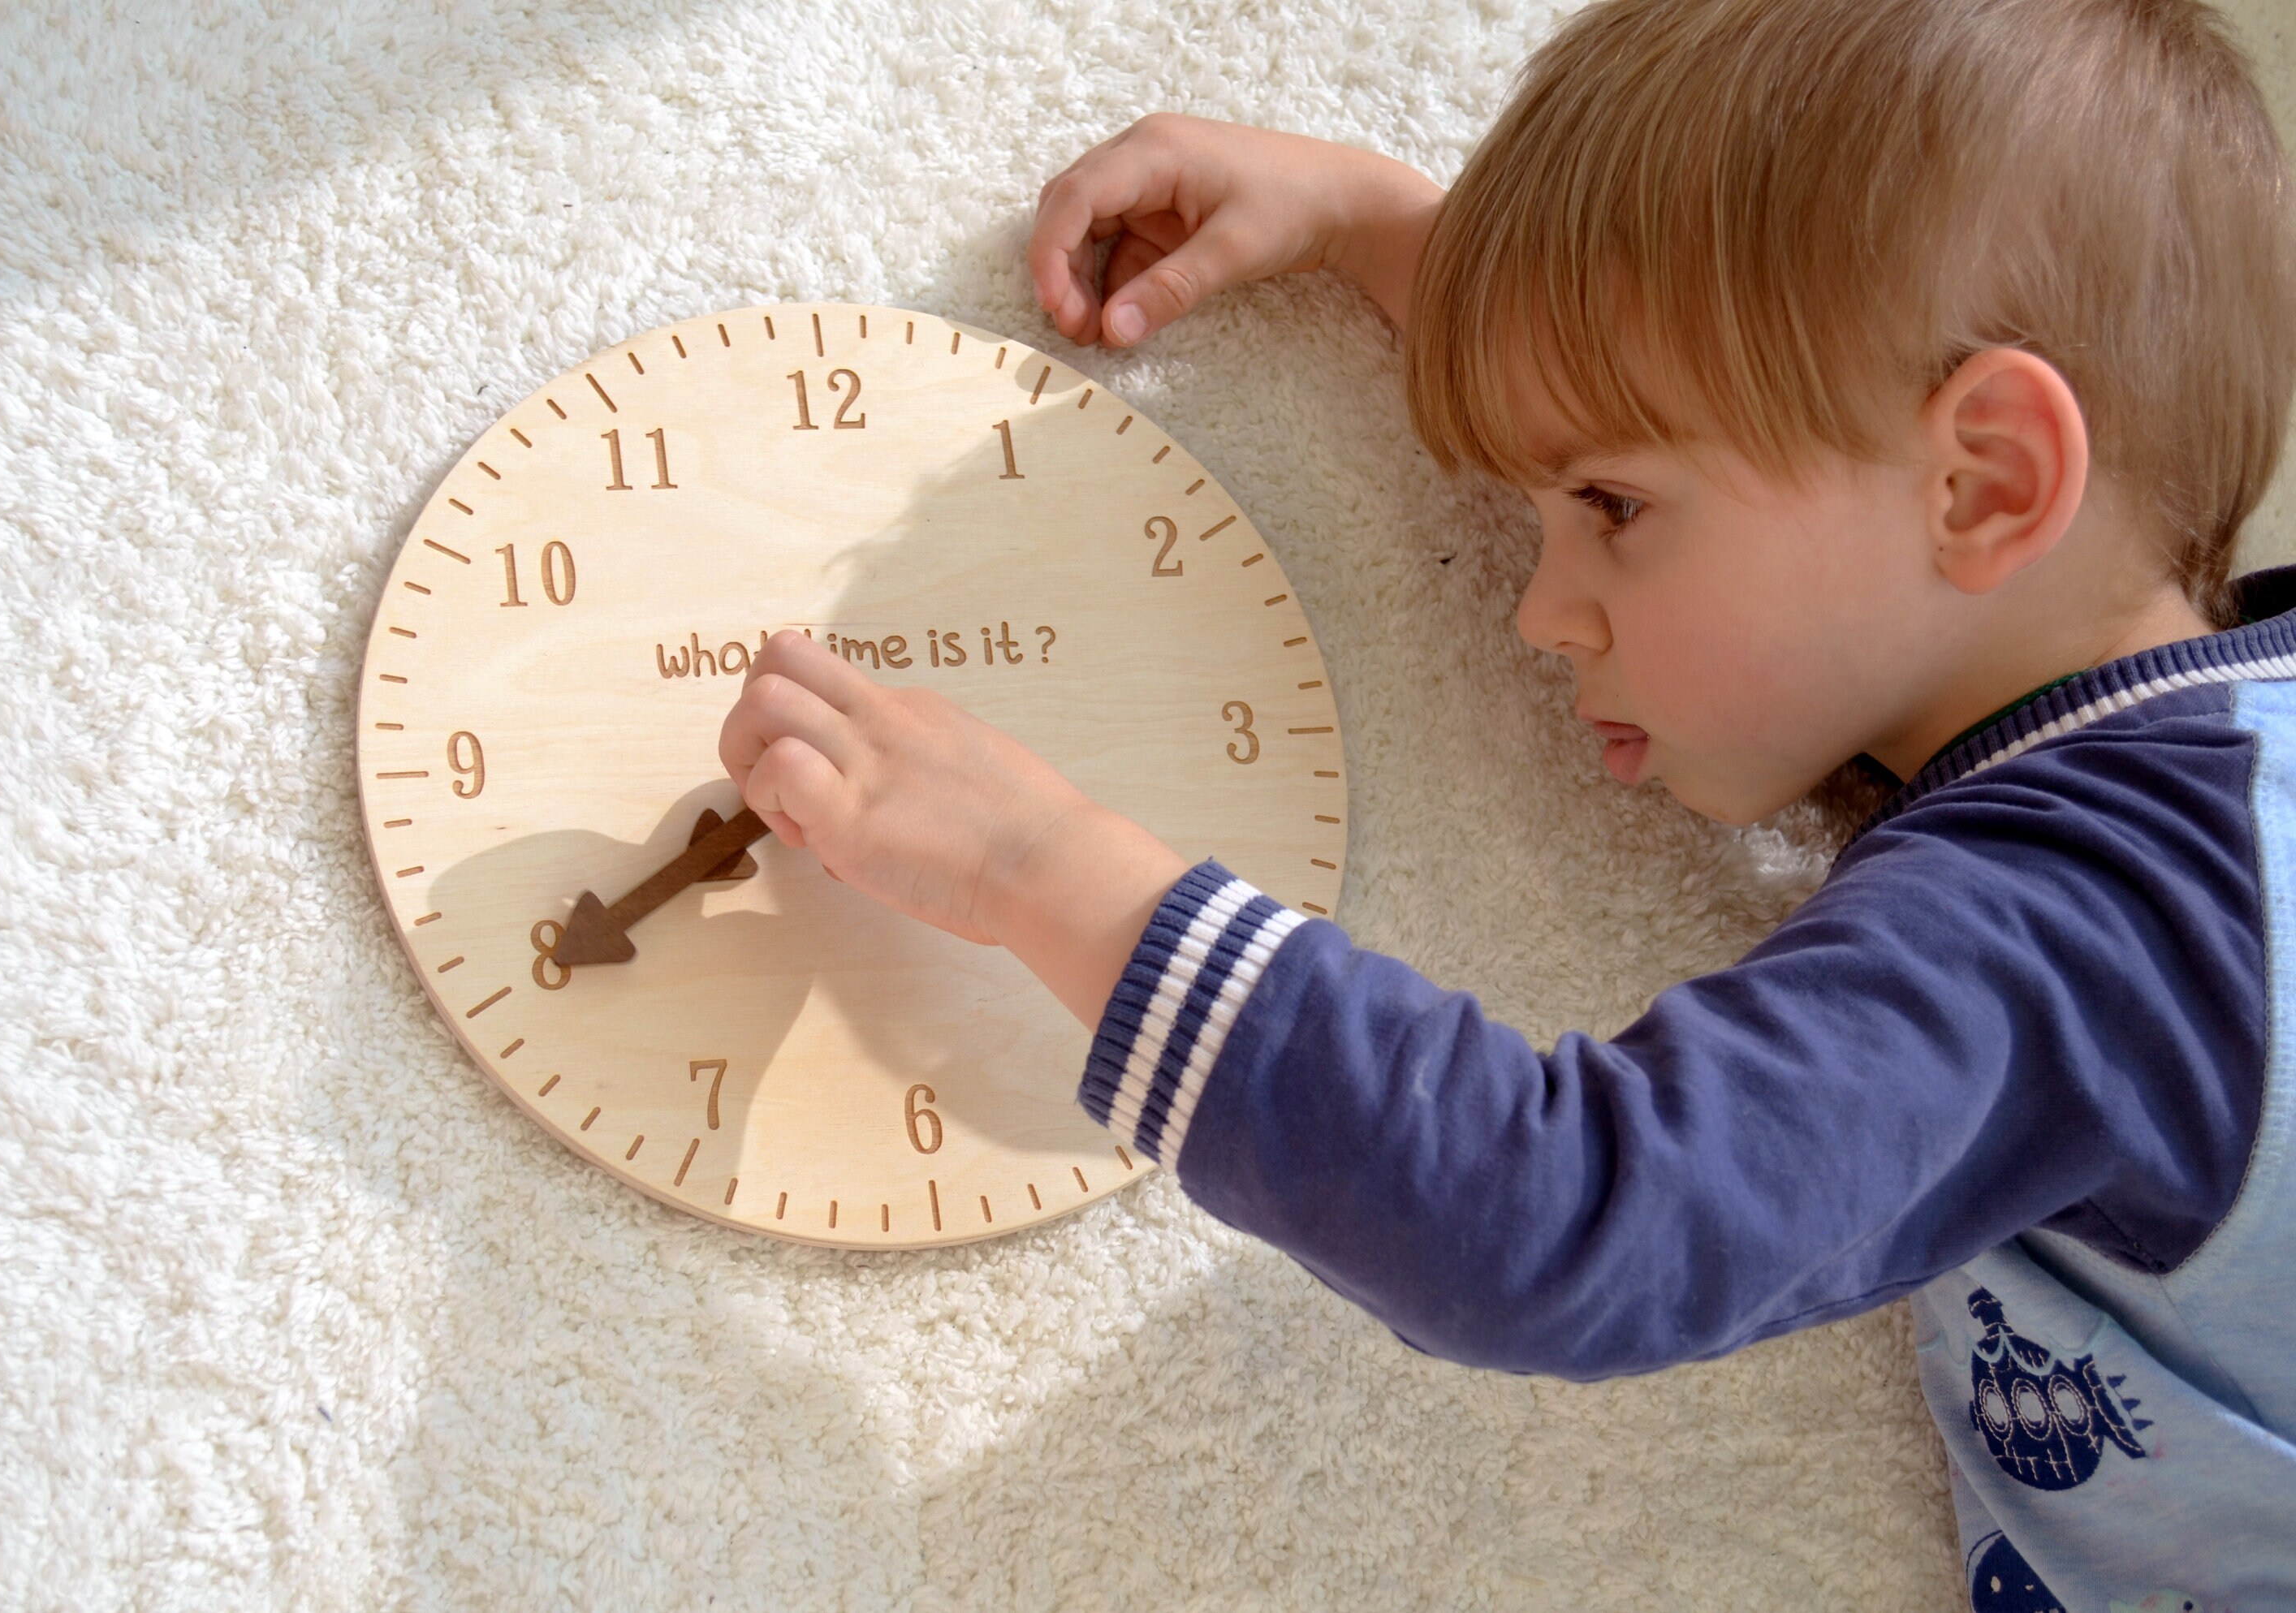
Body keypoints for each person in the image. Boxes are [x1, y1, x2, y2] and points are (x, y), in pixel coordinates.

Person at [717, 0, 2296, 1599]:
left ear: (1988, 482)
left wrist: (1032, 862)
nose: (1543, 612)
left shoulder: (2095, 929)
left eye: (1612, 505)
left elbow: (1570, 1213)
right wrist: (1386, 227)